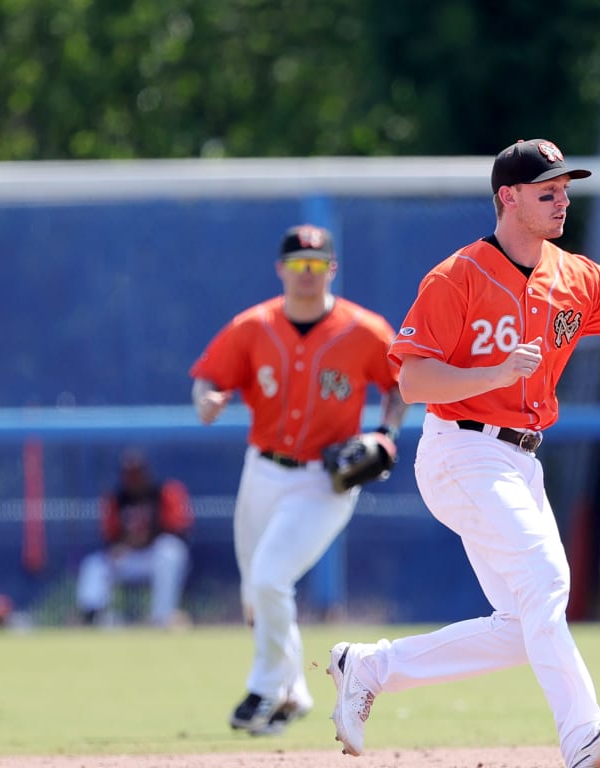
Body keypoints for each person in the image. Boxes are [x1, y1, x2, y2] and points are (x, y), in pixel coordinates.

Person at [325, 138, 600, 768]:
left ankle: (368, 667)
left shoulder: (578, 276)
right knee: (548, 582)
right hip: (461, 451)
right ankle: (581, 736)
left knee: (524, 625)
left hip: (519, 464)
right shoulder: (458, 277)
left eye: (565, 188)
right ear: (508, 197)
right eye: (547, 190)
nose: (562, 200)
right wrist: (495, 373)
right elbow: (413, 381)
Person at [189, 223, 406, 737]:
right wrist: (207, 401)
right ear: (281, 270)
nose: (306, 275)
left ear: (331, 269)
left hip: (324, 480)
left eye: (316, 265)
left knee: (269, 578)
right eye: (297, 265)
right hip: (262, 470)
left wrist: (384, 434)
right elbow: (207, 378)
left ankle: (265, 689)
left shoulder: (364, 329)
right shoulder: (253, 326)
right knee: (255, 595)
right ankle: (296, 689)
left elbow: (401, 383)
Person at [75, 449, 193, 628]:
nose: (134, 477)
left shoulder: (163, 493)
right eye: (130, 473)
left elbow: (179, 531)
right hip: (129, 558)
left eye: (137, 472)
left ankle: (161, 617)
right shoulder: (117, 499)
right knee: (95, 564)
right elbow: (109, 537)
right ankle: (91, 616)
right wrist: (118, 546)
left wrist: (148, 538)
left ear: (146, 472)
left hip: (154, 556)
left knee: (171, 551)